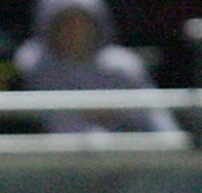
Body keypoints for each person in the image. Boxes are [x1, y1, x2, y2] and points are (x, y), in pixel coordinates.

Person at [15, 0, 181, 135]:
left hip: (125, 155)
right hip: (53, 158)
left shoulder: (121, 64)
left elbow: (155, 118)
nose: (74, 30)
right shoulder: (32, 63)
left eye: (81, 22)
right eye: (65, 22)